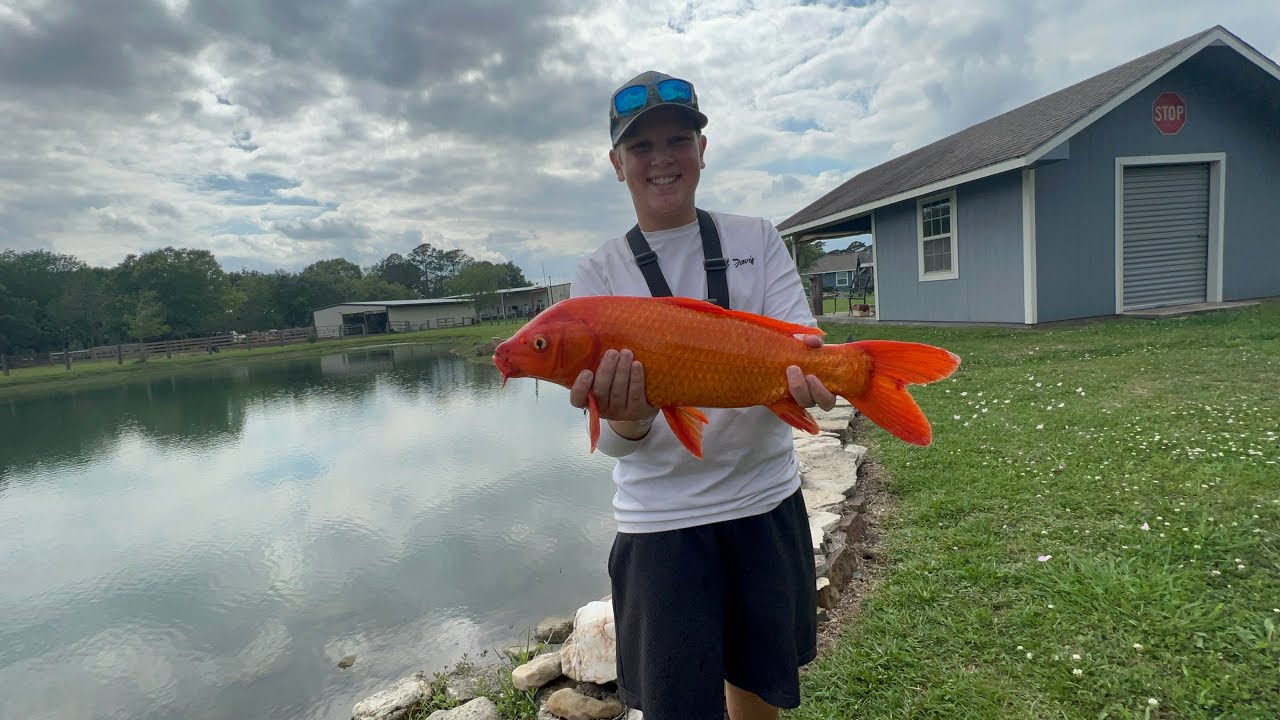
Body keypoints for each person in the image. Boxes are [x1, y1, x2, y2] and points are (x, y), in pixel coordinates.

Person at [567, 70, 837, 720]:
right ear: (617, 164)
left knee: (759, 691)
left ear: (702, 150)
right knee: (675, 706)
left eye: (677, 141)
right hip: (661, 524)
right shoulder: (598, 275)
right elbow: (614, 446)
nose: (661, 159)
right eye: (641, 146)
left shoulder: (756, 238)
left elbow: (801, 346)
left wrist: (818, 381)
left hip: (764, 501)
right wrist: (629, 418)